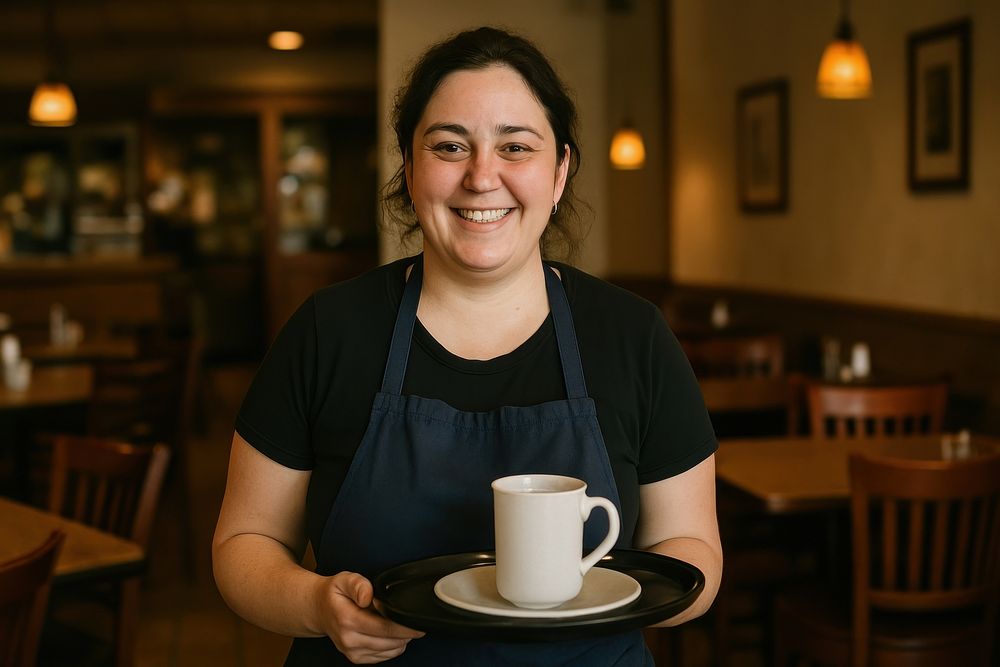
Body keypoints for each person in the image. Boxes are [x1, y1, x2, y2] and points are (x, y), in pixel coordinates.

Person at [213, 26, 722, 666]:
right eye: (450, 146)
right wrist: (316, 606)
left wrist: (610, 597)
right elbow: (245, 542)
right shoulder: (329, 330)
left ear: (560, 171)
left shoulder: (633, 336)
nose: (482, 177)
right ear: (410, 166)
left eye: (516, 147)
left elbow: (692, 545)